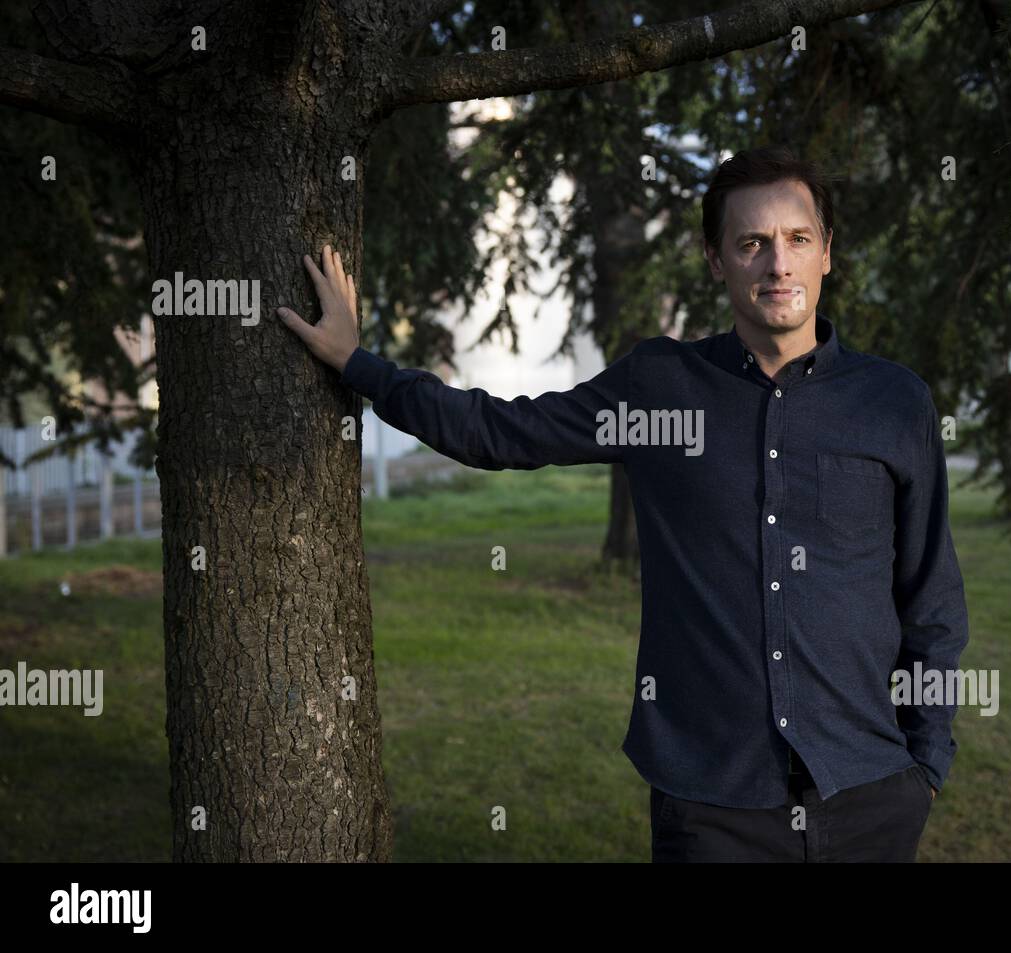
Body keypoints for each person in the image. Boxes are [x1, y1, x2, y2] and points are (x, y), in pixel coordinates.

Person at [277, 145, 970, 863]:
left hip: (869, 798)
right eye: (751, 243)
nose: (778, 265)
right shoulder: (659, 387)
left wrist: (926, 766)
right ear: (715, 259)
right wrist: (360, 365)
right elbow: (501, 432)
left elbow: (932, 602)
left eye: (797, 240)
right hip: (711, 808)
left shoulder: (894, 402)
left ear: (827, 251)